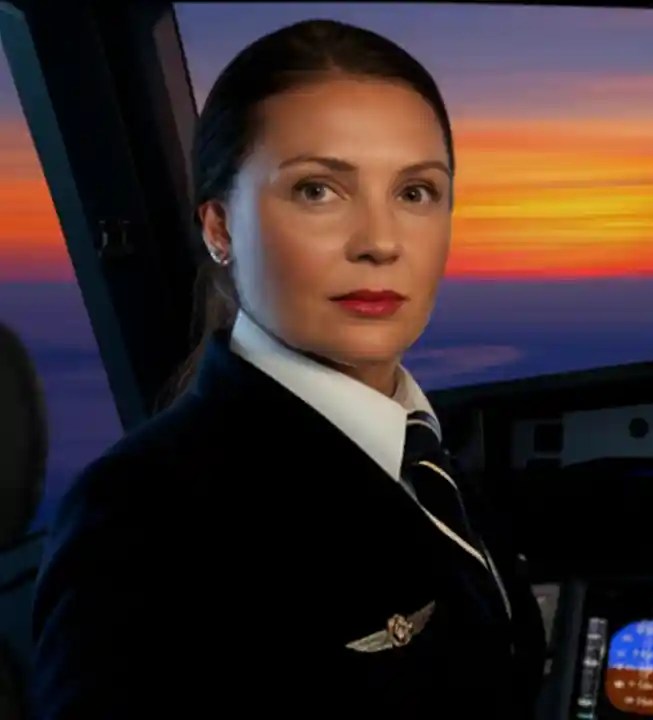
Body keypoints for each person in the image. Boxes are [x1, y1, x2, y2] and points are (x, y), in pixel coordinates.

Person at [29, 18, 546, 719]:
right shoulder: (137, 521)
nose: (380, 242)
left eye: (415, 192)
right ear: (219, 227)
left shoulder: (417, 450)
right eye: (317, 191)